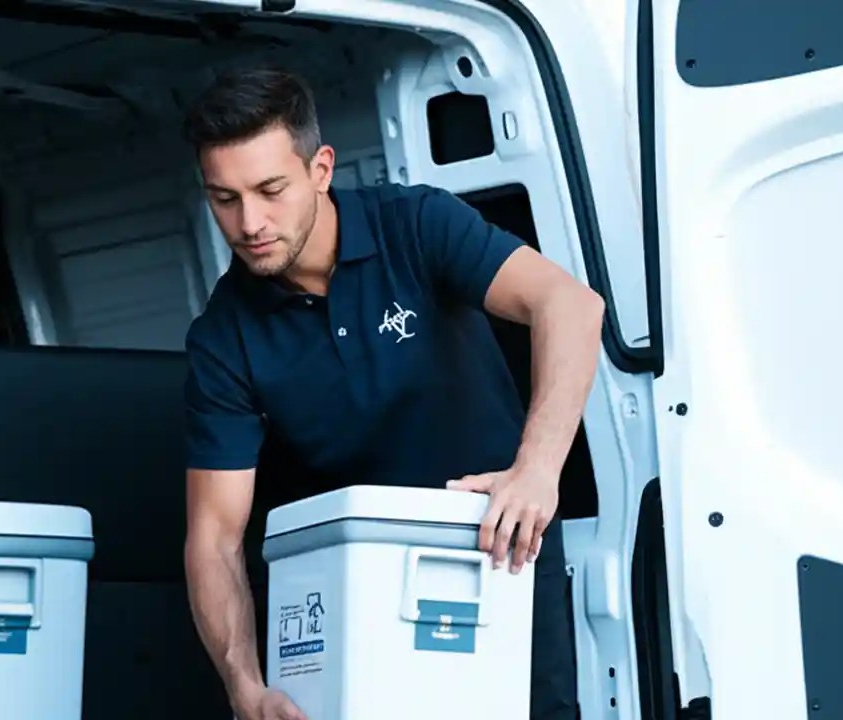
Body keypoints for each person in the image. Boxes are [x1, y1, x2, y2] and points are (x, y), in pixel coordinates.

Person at [180, 66, 602, 720]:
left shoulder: (417, 224)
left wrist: (537, 472)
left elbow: (569, 306)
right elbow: (214, 535)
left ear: (320, 169)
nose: (250, 222)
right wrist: (245, 687)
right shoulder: (223, 337)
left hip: (496, 548)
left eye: (270, 190)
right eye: (224, 199)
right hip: (359, 582)